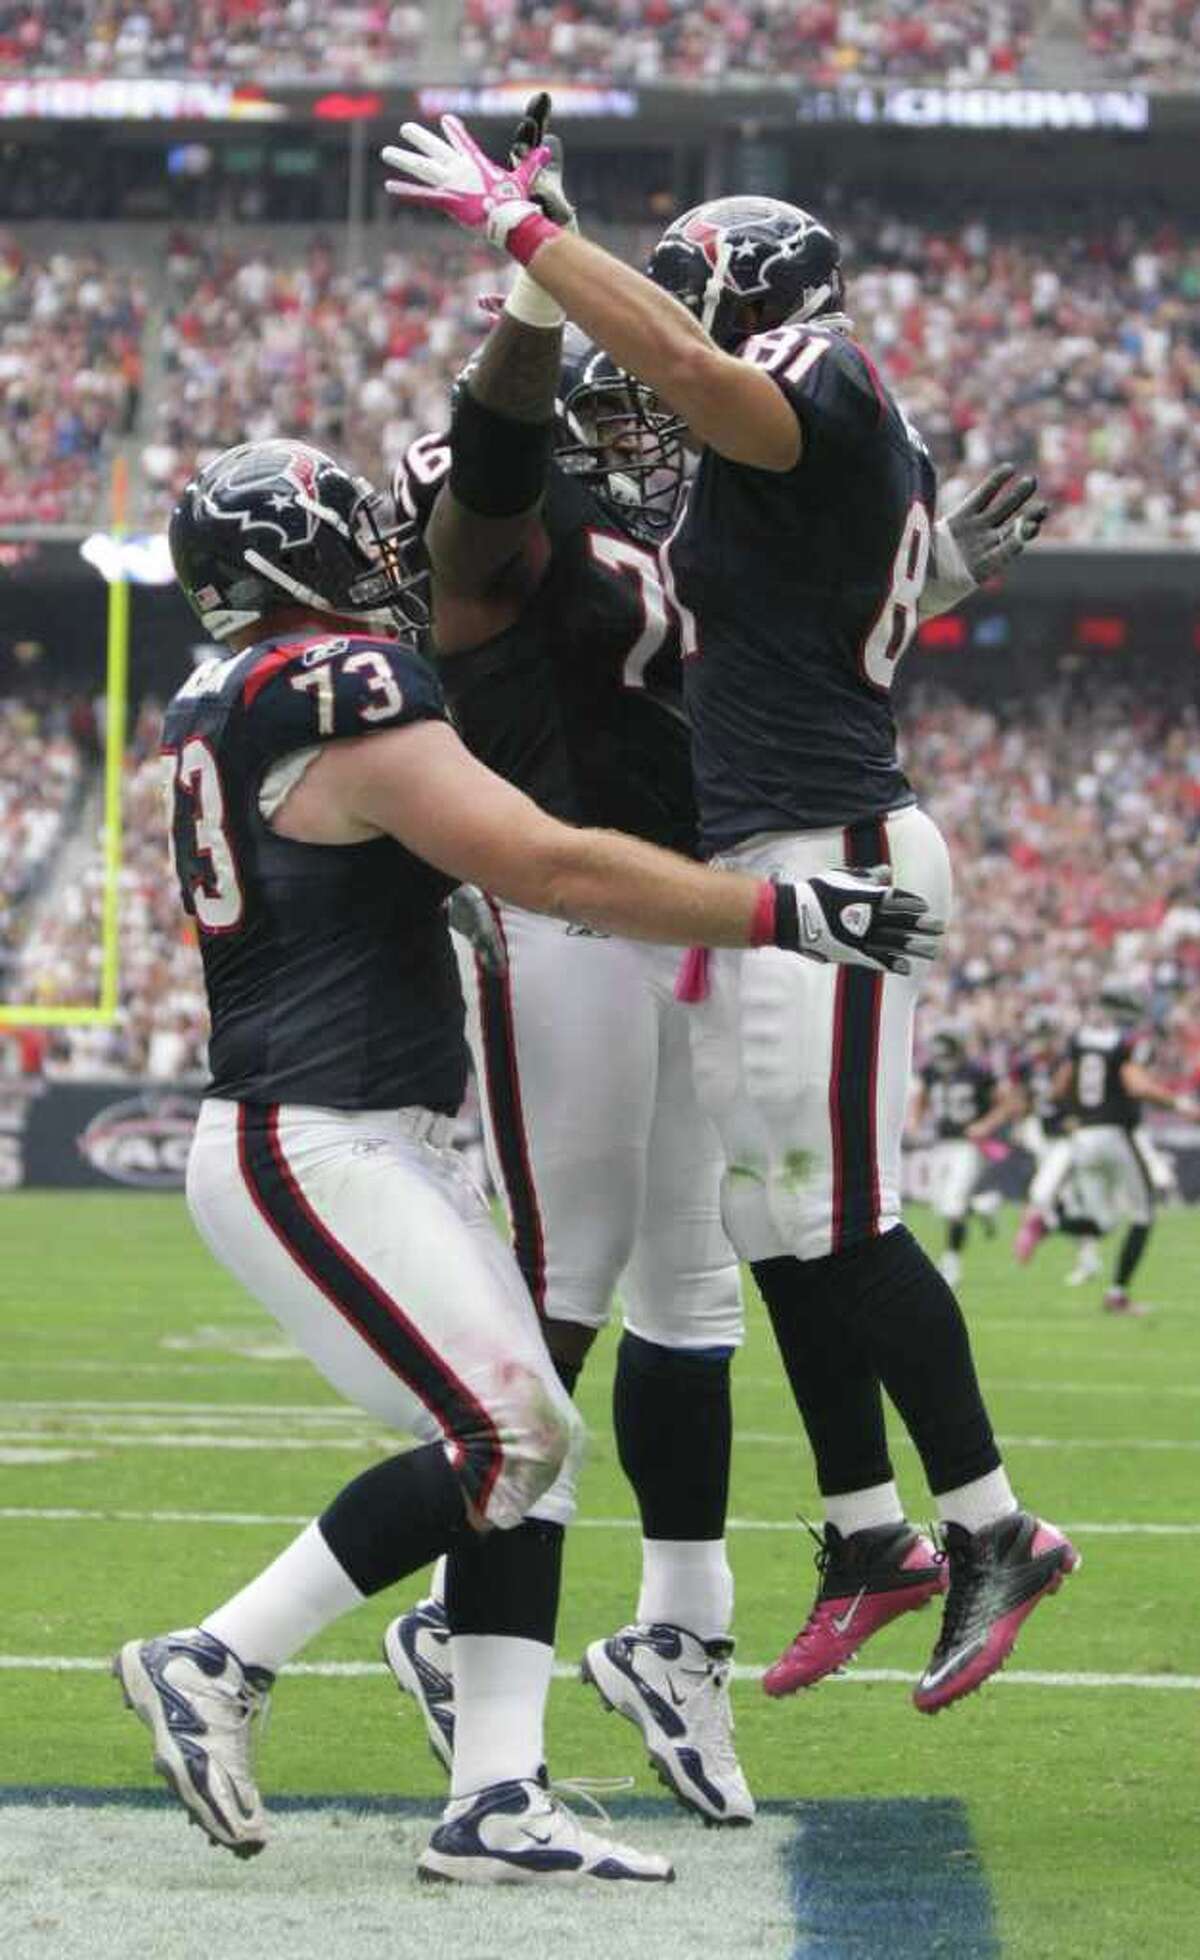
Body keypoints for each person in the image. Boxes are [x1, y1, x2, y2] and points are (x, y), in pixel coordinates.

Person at [112, 435, 936, 1882]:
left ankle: (495, 1796)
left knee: (530, 1446)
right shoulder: (339, 684)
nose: (382, 546)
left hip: (376, 1133)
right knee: (510, 1436)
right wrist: (777, 910)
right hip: (320, 1140)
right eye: (346, 530)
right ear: (279, 565)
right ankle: (217, 1657)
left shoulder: (232, 694)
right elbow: (546, 861)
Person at [381, 115, 1074, 1716]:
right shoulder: (749, 483)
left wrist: (529, 240)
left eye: (688, 296)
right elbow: (759, 623)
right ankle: (867, 1536)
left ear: (742, 293)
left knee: (829, 1217)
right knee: (774, 1224)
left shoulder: (817, 372)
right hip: (767, 854)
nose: (668, 347)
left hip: (823, 850)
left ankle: (987, 1527)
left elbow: (702, 382)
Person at [1016, 983, 1198, 1314]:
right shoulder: (1124, 1043)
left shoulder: (1081, 1040)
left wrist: (1078, 1111)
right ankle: (1117, 1295)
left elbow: (1059, 1088)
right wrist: (1179, 1104)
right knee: (1144, 1215)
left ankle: (1048, 1224)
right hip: (1115, 1134)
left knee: (1103, 1222)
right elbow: (1136, 1085)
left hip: (1082, 1138)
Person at [1009, 1008, 1104, 1289]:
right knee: (1070, 1203)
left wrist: (1081, 1117)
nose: (1039, 1042)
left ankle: (1042, 1227)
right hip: (1045, 1136)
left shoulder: (1067, 1063)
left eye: (1044, 1036)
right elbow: (1025, 1097)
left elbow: (1083, 1096)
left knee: (1041, 1193)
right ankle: (1088, 1259)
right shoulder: (1027, 1065)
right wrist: (1021, 1119)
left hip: (1068, 1138)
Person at [910, 1027, 1011, 1288]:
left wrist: (986, 1125)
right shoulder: (931, 1071)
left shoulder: (977, 1072)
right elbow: (920, 1099)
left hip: (969, 1145)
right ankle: (981, 1206)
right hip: (942, 1144)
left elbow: (1006, 1104)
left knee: (953, 1206)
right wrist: (915, 1123)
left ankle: (952, 1264)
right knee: (940, 1204)